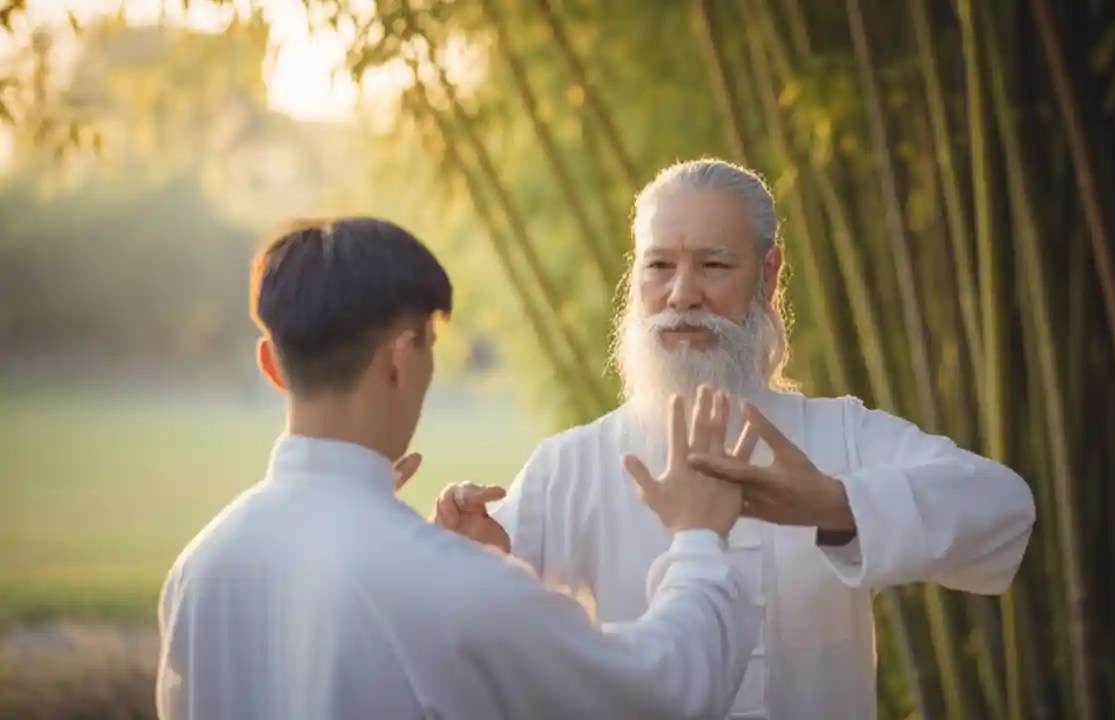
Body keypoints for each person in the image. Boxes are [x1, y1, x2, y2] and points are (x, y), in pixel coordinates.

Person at [431, 160, 1038, 719]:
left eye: (715, 265)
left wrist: (831, 504)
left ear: (768, 275)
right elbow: (487, 641)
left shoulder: (838, 434)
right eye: (659, 266)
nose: (682, 295)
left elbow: (1004, 508)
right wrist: (483, 553)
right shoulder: (574, 464)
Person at [155, 217, 759, 720]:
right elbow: (660, 693)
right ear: (401, 358)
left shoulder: (201, 568)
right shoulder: (450, 584)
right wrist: (699, 541)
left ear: (272, 364)